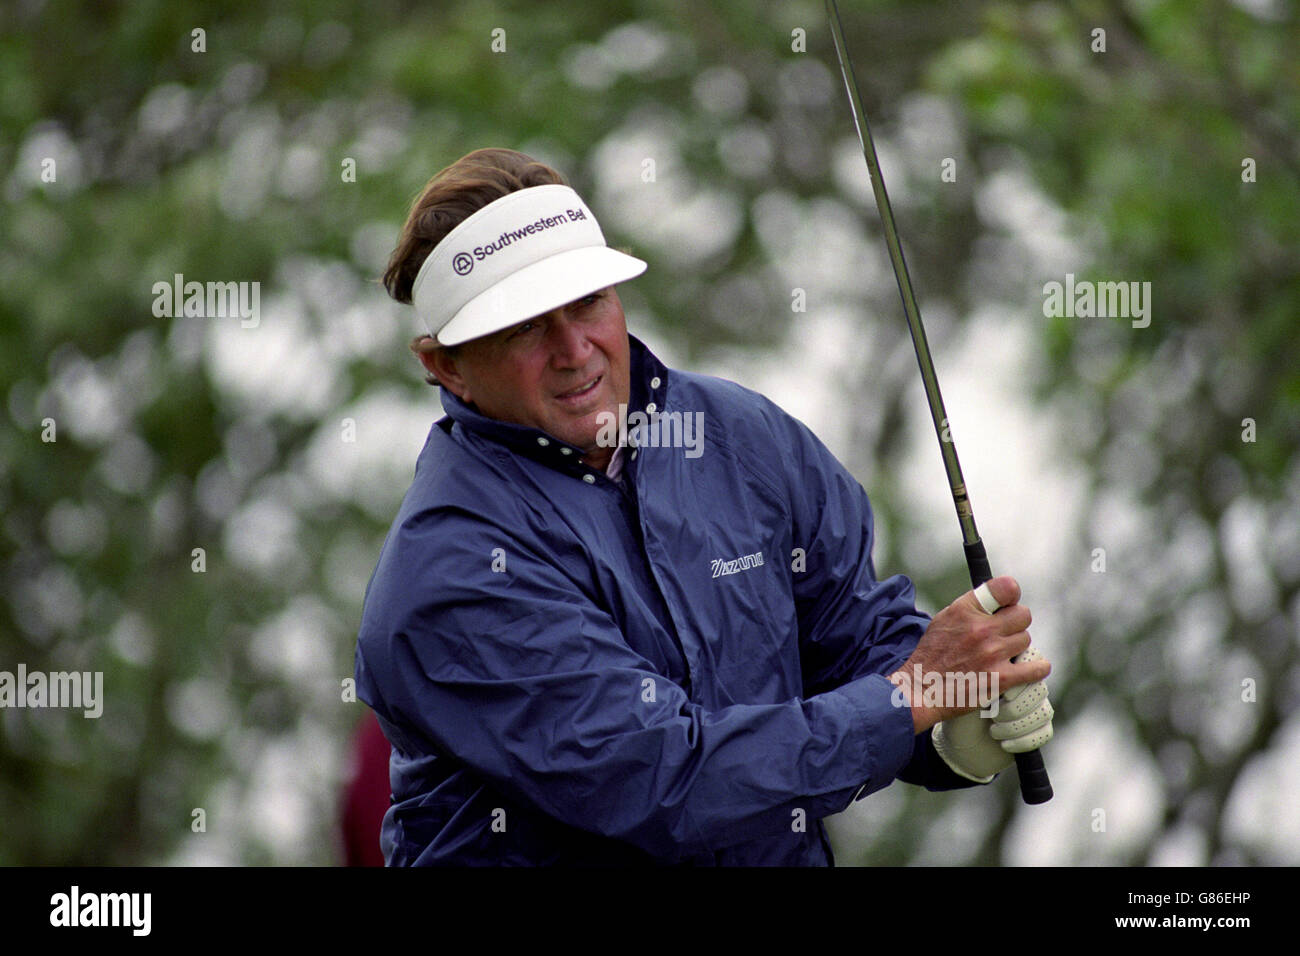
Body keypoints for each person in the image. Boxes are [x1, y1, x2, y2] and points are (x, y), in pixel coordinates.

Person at [353, 147, 1053, 866]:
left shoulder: (741, 434)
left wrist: (954, 726)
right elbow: (668, 782)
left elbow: (850, 637)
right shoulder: (452, 567)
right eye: (525, 327)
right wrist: (910, 698)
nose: (574, 350)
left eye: (589, 302)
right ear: (446, 366)